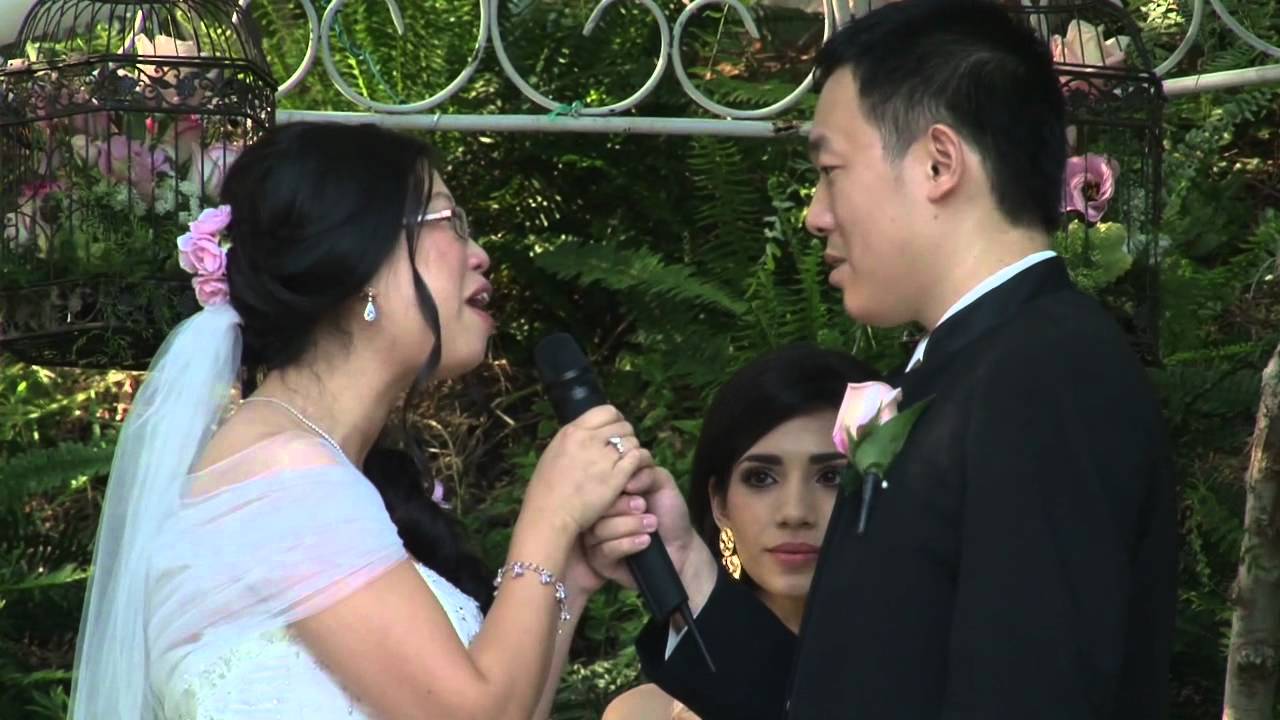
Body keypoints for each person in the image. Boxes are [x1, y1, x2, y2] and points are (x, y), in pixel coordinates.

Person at [584, 1, 1177, 718]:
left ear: (937, 162)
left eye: (831, 169)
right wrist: (686, 568)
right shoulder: (966, 368)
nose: (814, 213)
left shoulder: (1047, 374)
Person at [68, 122, 658, 720]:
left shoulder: (312, 470)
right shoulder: (280, 475)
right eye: (450, 222)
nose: (480, 255)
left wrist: (571, 576)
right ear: (360, 261)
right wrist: (550, 517)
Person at [603, 345, 879, 720]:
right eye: (761, 478)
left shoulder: (945, 676)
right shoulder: (641, 713)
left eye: (831, 477)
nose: (794, 512)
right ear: (719, 503)